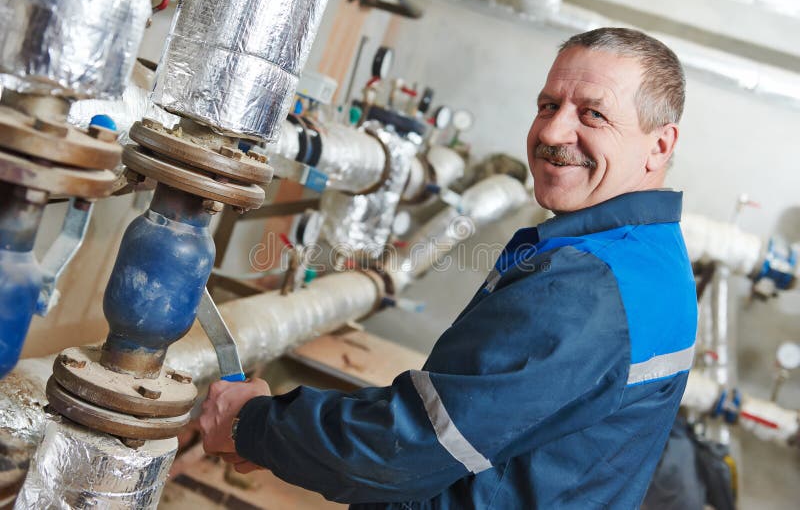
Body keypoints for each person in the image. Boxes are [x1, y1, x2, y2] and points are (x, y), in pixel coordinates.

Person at [200, 27, 698, 509]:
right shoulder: (652, 256)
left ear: (660, 144)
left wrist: (254, 425)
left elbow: (411, 445)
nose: (552, 130)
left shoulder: (588, 283)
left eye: (592, 114)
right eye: (548, 105)